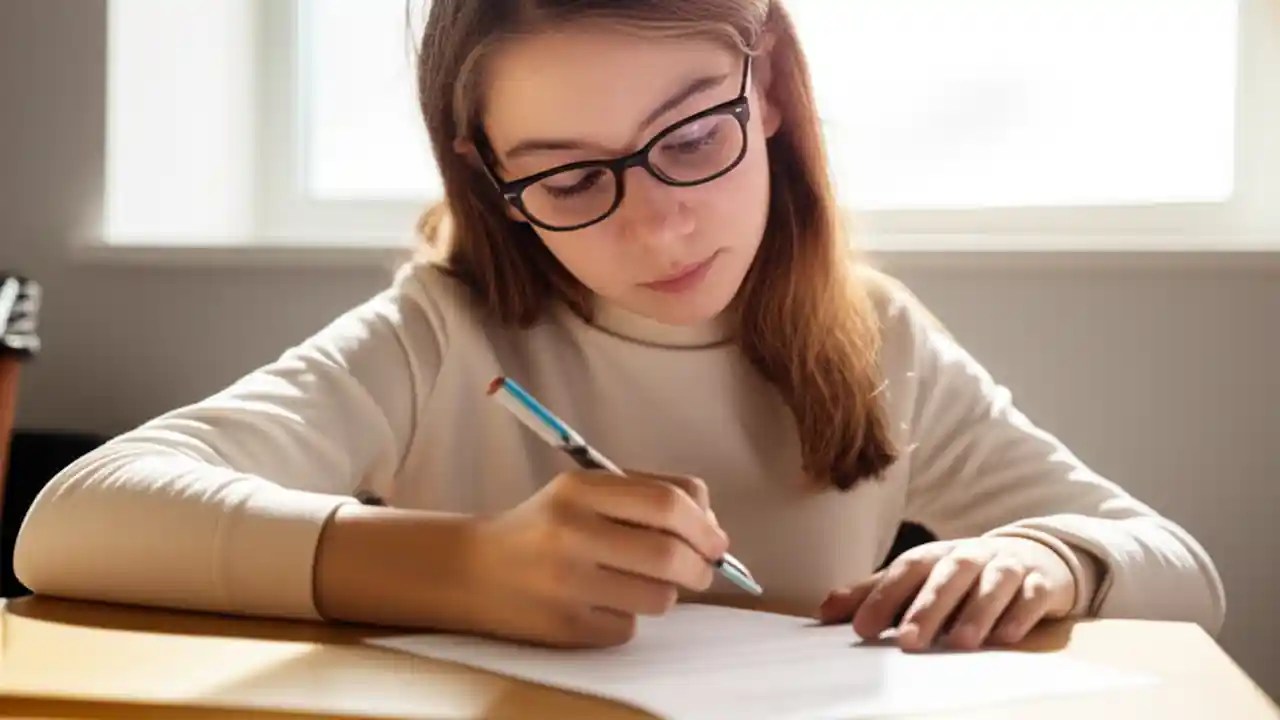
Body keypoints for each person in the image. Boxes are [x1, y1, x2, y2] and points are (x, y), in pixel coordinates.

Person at [14, 0, 1224, 651]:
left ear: (774, 99)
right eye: (568, 177)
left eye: (693, 136)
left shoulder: (876, 340)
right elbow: (71, 523)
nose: (655, 229)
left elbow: (1184, 577)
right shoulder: (441, 334)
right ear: (491, 185)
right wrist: (466, 568)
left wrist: (1046, 559)